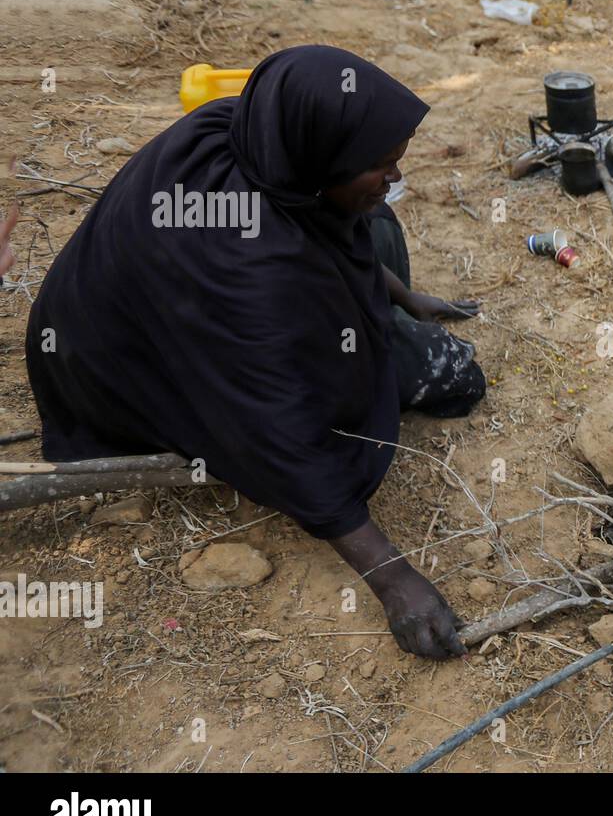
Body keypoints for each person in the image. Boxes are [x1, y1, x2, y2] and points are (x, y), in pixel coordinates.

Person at [24, 45, 483, 659]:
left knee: (379, 230)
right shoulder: (255, 281)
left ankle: (383, 291)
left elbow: (327, 225)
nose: (396, 177)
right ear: (319, 162)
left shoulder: (237, 130)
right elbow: (280, 434)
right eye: (379, 165)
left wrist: (403, 295)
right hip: (124, 381)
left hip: (121, 331)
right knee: (450, 371)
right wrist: (394, 579)